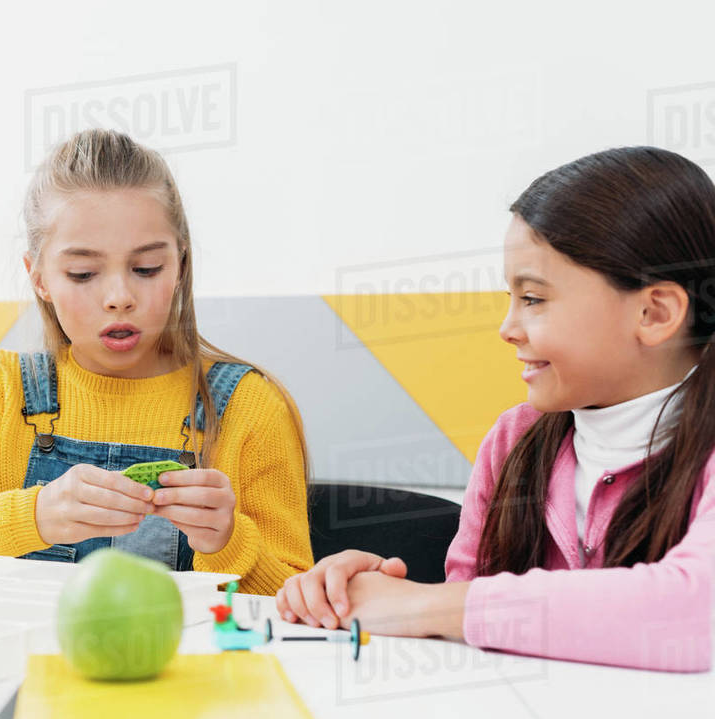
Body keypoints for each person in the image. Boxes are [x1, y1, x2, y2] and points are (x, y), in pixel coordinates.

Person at [277, 146, 715, 671]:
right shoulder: (515, 439)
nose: (507, 328)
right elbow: (468, 628)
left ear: (655, 312)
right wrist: (374, 592)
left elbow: (693, 614)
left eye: (533, 299)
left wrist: (420, 605)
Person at [0, 129, 312, 594]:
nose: (119, 297)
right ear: (40, 278)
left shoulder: (249, 405)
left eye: (146, 269)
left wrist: (229, 542)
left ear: (180, 267)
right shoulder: (3, 388)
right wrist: (33, 517)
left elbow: (298, 604)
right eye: (83, 274)